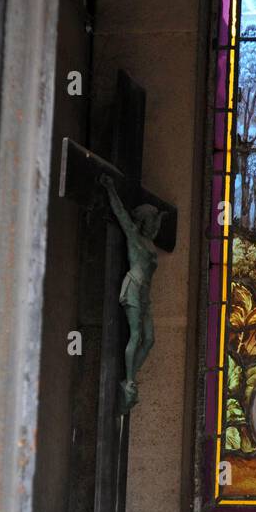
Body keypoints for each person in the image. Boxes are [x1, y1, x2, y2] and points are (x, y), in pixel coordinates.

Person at [101, 174, 160, 413]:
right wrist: (110, 188)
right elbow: (121, 214)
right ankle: (130, 381)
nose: (156, 226)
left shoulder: (150, 243)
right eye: (153, 221)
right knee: (136, 337)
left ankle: (130, 377)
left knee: (150, 339)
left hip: (145, 293)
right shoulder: (134, 237)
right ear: (145, 220)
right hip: (134, 288)